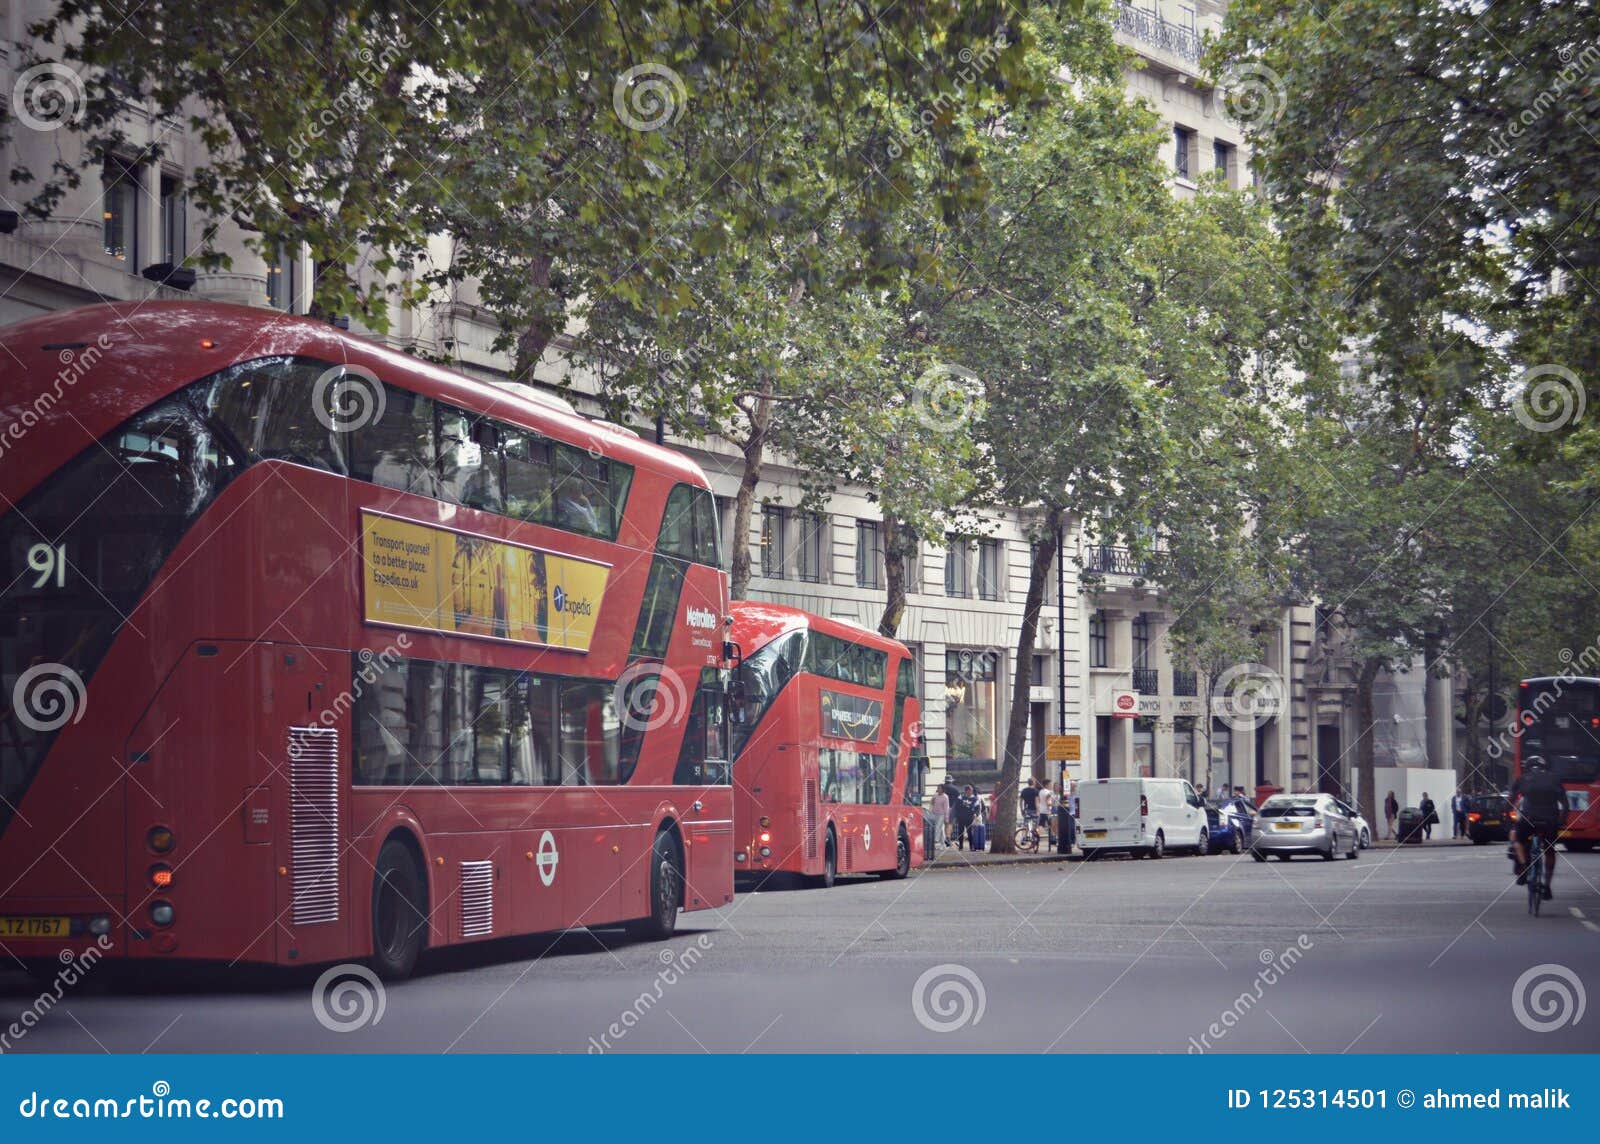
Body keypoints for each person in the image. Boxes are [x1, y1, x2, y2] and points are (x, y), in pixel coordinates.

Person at [1511, 755, 1569, 899]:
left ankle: (1524, 866)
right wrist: (1562, 820)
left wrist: (1506, 814)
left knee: (1519, 840)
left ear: (1527, 767)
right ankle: (1547, 885)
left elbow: (1511, 799)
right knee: (1549, 851)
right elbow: (1565, 804)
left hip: (1528, 820)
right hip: (1550, 821)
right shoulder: (1555, 779)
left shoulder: (1523, 778)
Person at [953, 785, 978, 850]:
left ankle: (971, 846)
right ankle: (961, 845)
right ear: (966, 791)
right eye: (969, 791)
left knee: (969, 832)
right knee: (960, 831)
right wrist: (962, 806)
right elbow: (957, 806)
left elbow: (977, 808)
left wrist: (975, 813)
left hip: (969, 817)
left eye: (971, 791)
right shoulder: (961, 797)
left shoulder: (975, 799)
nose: (970, 792)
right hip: (961, 817)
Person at [930, 786, 950, 854]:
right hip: (934, 813)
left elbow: (946, 807)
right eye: (938, 788)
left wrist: (946, 817)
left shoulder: (945, 797)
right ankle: (943, 844)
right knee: (941, 829)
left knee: (938, 828)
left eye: (939, 788)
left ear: (943, 789)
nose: (938, 789)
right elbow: (932, 803)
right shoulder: (935, 795)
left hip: (941, 814)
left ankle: (936, 841)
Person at [1020, 778, 1040, 843]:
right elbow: (1036, 802)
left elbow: (1021, 802)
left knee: (1025, 824)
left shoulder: (1024, 791)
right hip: (1034, 810)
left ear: (1028, 783)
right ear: (1034, 783)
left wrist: (1021, 810)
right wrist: (1038, 811)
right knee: (1036, 823)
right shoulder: (1036, 791)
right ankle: (1034, 837)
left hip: (1027, 809)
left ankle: (1023, 838)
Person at [1038, 781, 1057, 846]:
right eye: (1050, 784)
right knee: (1052, 825)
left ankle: (1036, 837)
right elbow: (1048, 802)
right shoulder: (1048, 792)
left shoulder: (1040, 791)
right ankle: (1053, 839)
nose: (1051, 785)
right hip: (1047, 811)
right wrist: (1051, 805)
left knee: (1041, 825)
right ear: (1046, 785)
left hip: (1042, 810)